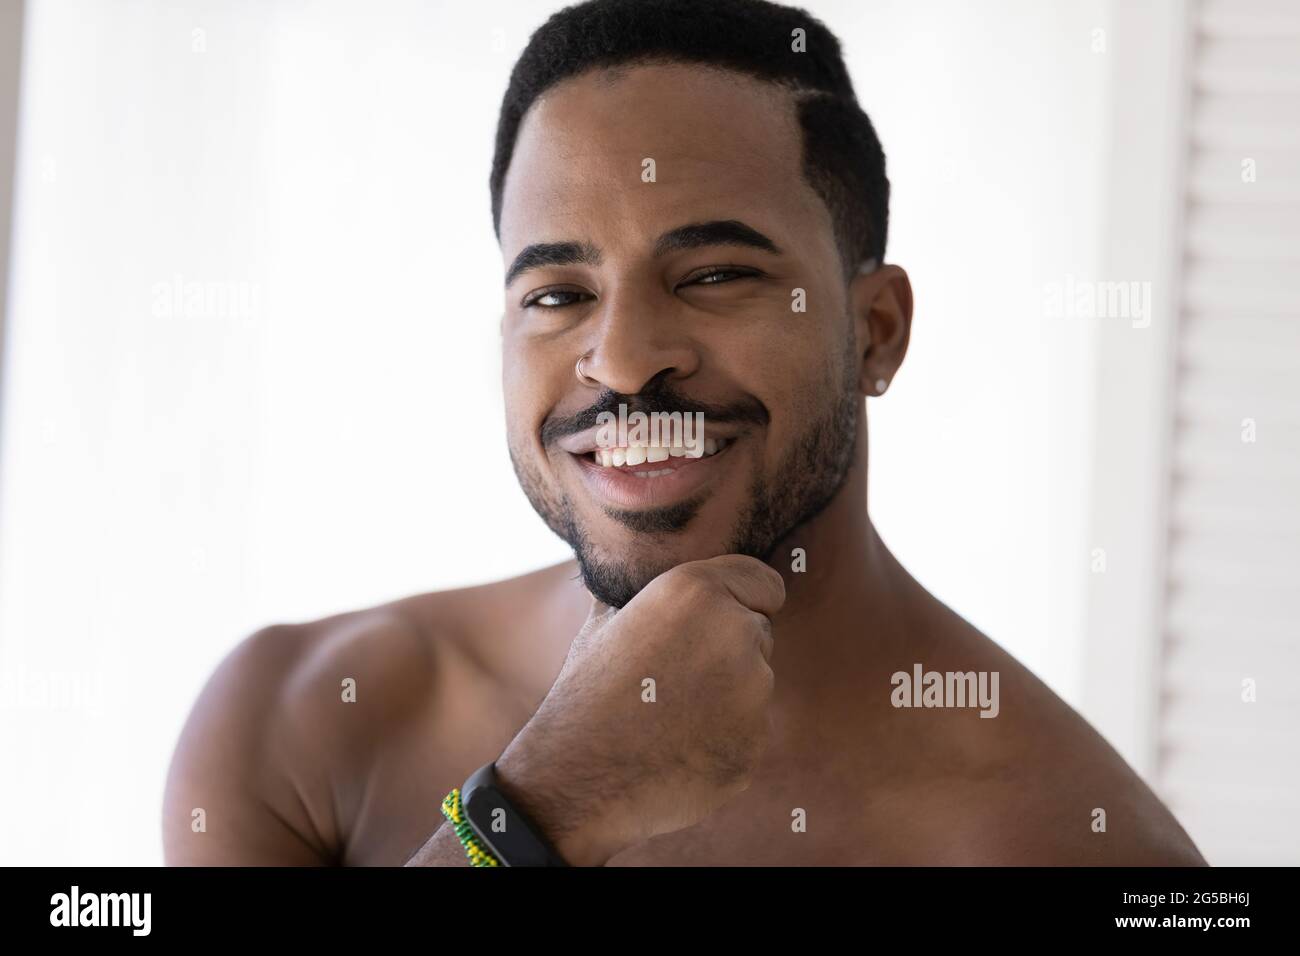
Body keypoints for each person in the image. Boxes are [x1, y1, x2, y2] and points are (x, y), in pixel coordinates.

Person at [163, 0, 1207, 866]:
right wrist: (542, 806)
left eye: (713, 275)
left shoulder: (1072, 846)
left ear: (874, 331)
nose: (620, 360)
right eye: (558, 291)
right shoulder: (301, 726)